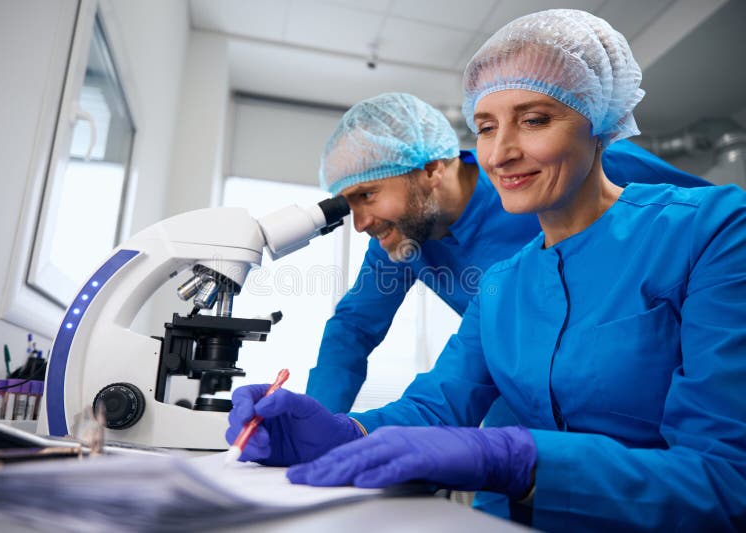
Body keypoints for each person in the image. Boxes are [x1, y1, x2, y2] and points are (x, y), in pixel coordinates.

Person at [227, 9, 746, 530]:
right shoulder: (495, 283)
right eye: (485, 127)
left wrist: (512, 457)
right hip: (514, 503)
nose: (499, 153)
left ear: (600, 124)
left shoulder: (702, 229)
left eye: (536, 119)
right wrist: (335, 429)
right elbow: (418, 388)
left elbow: (725, 478)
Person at [306, 94, 709, 417]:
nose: (358, 224)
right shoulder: (402, 241)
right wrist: (315, 421)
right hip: (518, 394)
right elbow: (353, 328)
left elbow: (713, 225)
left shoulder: (570, 166)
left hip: (637, 381)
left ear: (431, 171)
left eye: (367, 196)